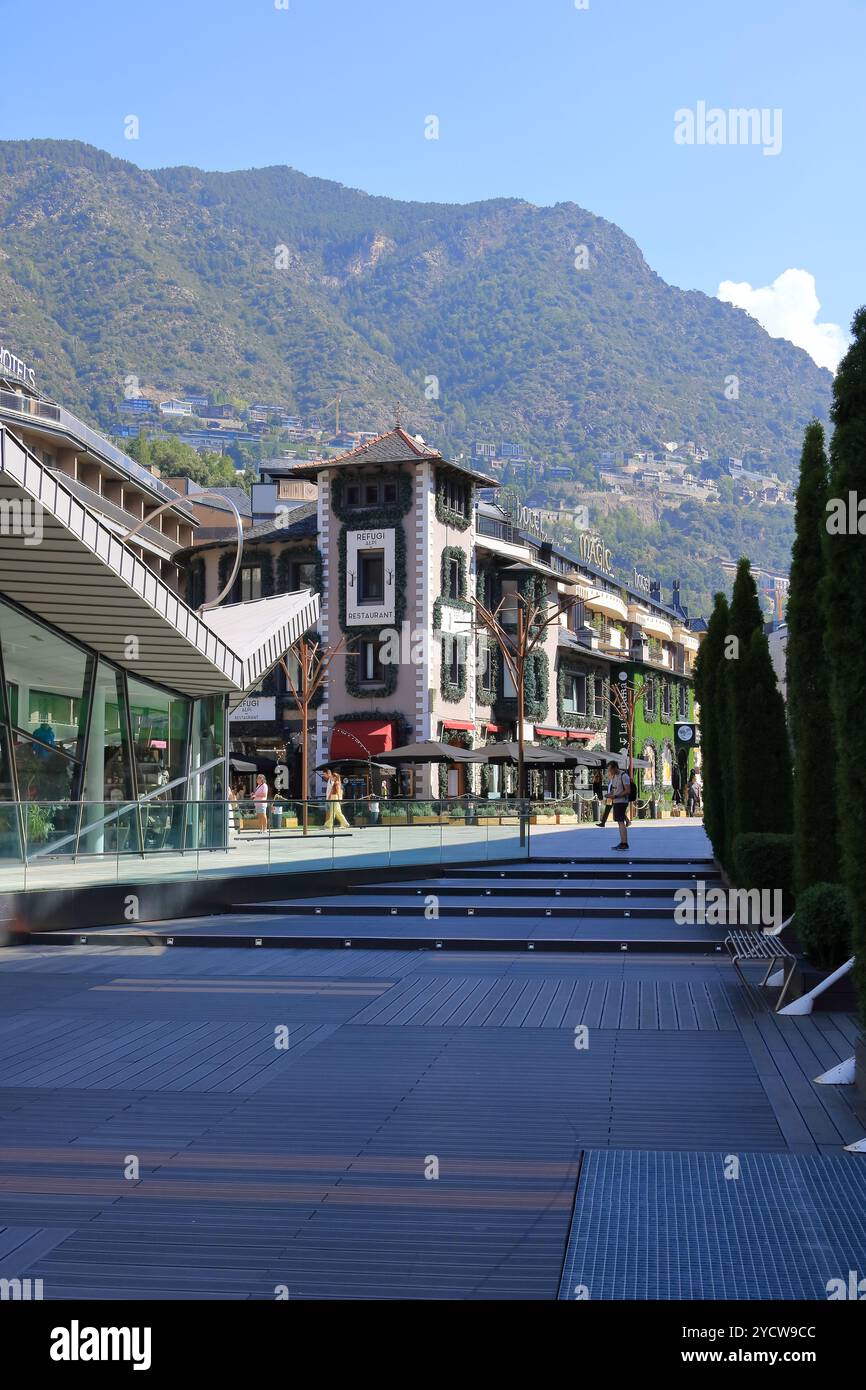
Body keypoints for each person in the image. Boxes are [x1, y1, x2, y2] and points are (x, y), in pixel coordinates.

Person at [606, 759, 631, 850]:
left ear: (615, 768)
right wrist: (610, 794)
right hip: (616, 801)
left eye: (610, 769)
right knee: (619, 822)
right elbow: (614, 789)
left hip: (622, 801)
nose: (609, 771)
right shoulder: (614, 777)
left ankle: (624, 843)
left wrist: (616, 796)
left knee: (621, 822)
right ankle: (622, 842)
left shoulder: (624, 776)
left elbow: (627, 791)